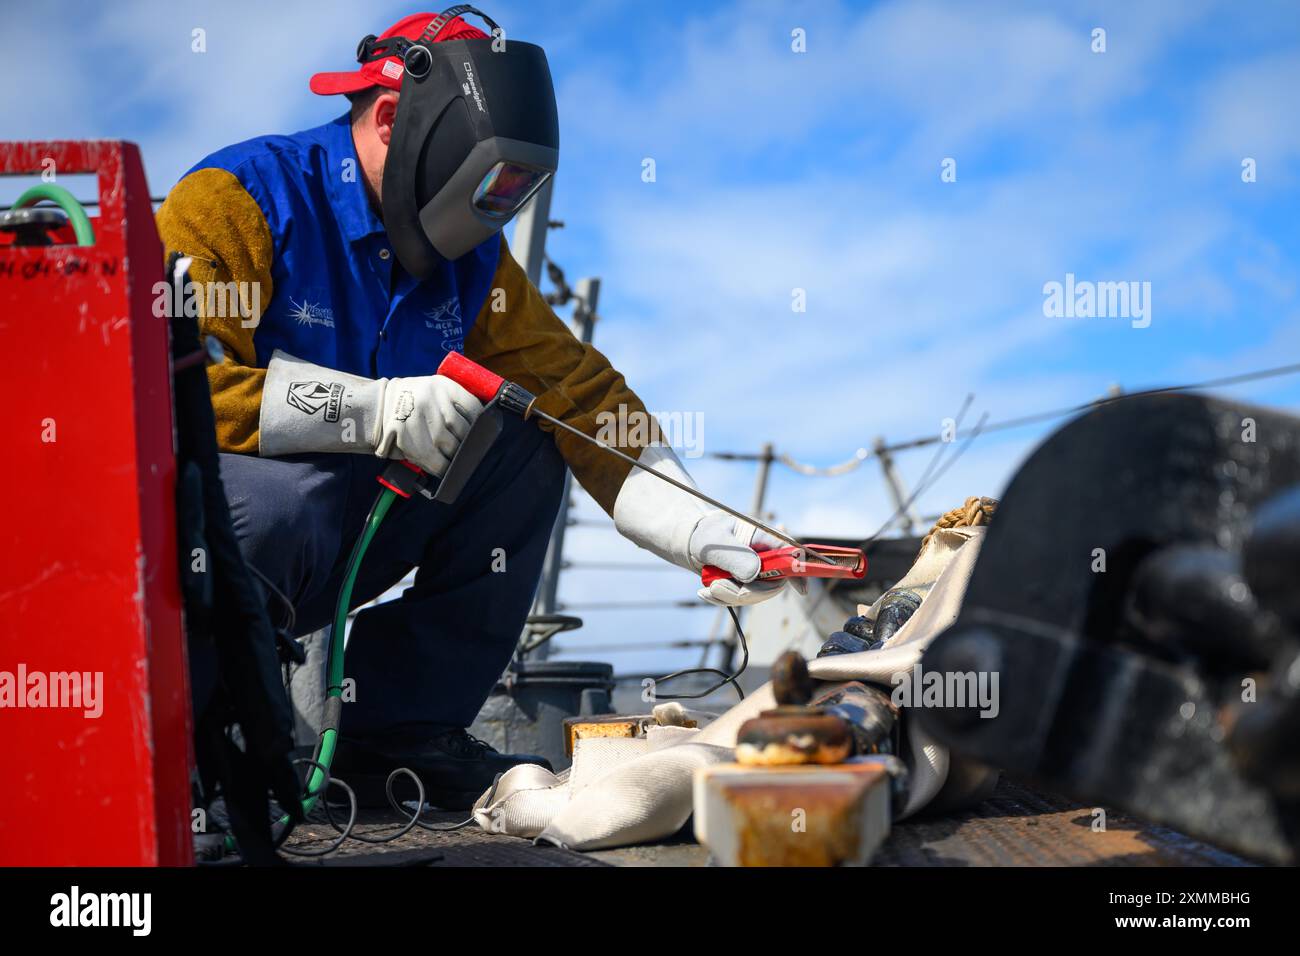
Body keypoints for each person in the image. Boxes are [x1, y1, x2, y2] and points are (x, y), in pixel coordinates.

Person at [156, 8, 791, 809]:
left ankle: (395, 734)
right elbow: (173, 398)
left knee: (523, 448)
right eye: (487, 182)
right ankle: (196, 741)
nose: (496, 210)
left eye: (515, 192)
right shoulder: (238, 198)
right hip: (232, 542)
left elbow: (578, 395)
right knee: (281, 497)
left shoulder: (475, 267)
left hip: (356, 529)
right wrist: (374, 412)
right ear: (392, 118)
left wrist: (702, 525)